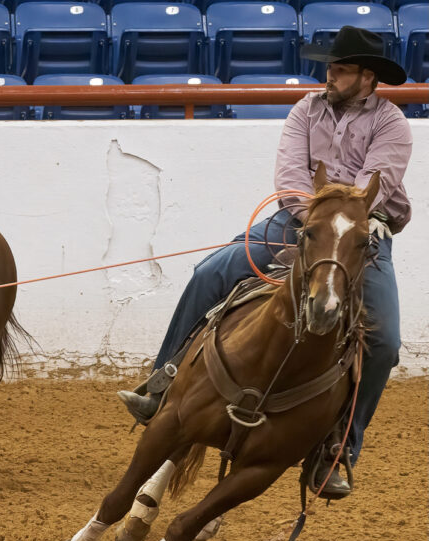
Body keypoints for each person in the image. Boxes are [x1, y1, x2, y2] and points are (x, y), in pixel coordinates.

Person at [117, 26, 412, 499]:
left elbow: (374, 184)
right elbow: (291, 174)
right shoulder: (306, 110)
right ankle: (163, 382)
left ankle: (336, 450)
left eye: (339, 70)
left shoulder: (390, 122)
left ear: (366, 76)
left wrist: (333, 224)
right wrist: (309, 222)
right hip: (297, 221)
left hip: (360, 236)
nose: (329, 76)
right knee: (210, 272)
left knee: (386, 342)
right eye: (330, 68)